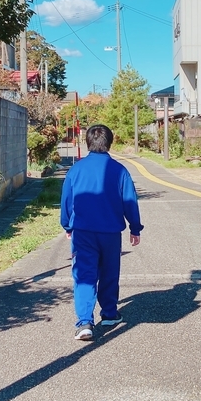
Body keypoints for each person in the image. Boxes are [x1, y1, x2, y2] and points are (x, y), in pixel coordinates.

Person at [61, 124, 143, 341]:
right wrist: (135, 228)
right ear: (110, 142)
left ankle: (85, 322)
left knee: (84, 274)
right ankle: (109, 313)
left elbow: (67, 202)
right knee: (109, 272)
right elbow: (129, 201)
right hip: (110, 232)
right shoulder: (120, 170)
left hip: (83, 231)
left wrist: (67, 226)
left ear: (87, 143)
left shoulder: (76, 170)